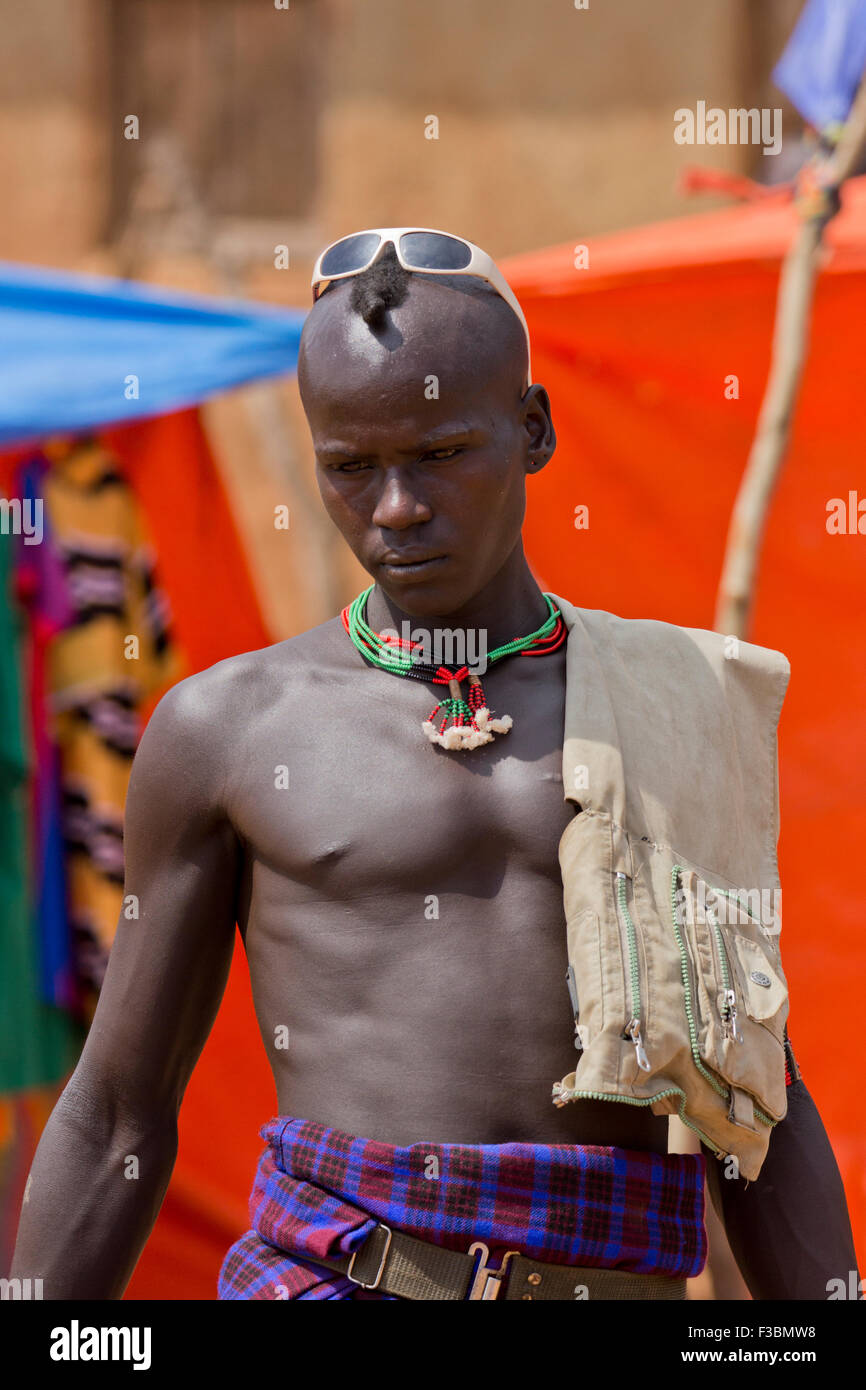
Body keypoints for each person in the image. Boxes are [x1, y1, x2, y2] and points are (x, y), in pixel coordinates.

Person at [10, 229, 859, 1301]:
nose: (396, 508)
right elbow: (118, 1108)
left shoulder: (670, 705)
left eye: (441, 453)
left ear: (532, 429)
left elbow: (754, 1101)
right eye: (350, 468)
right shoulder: (228, 732)